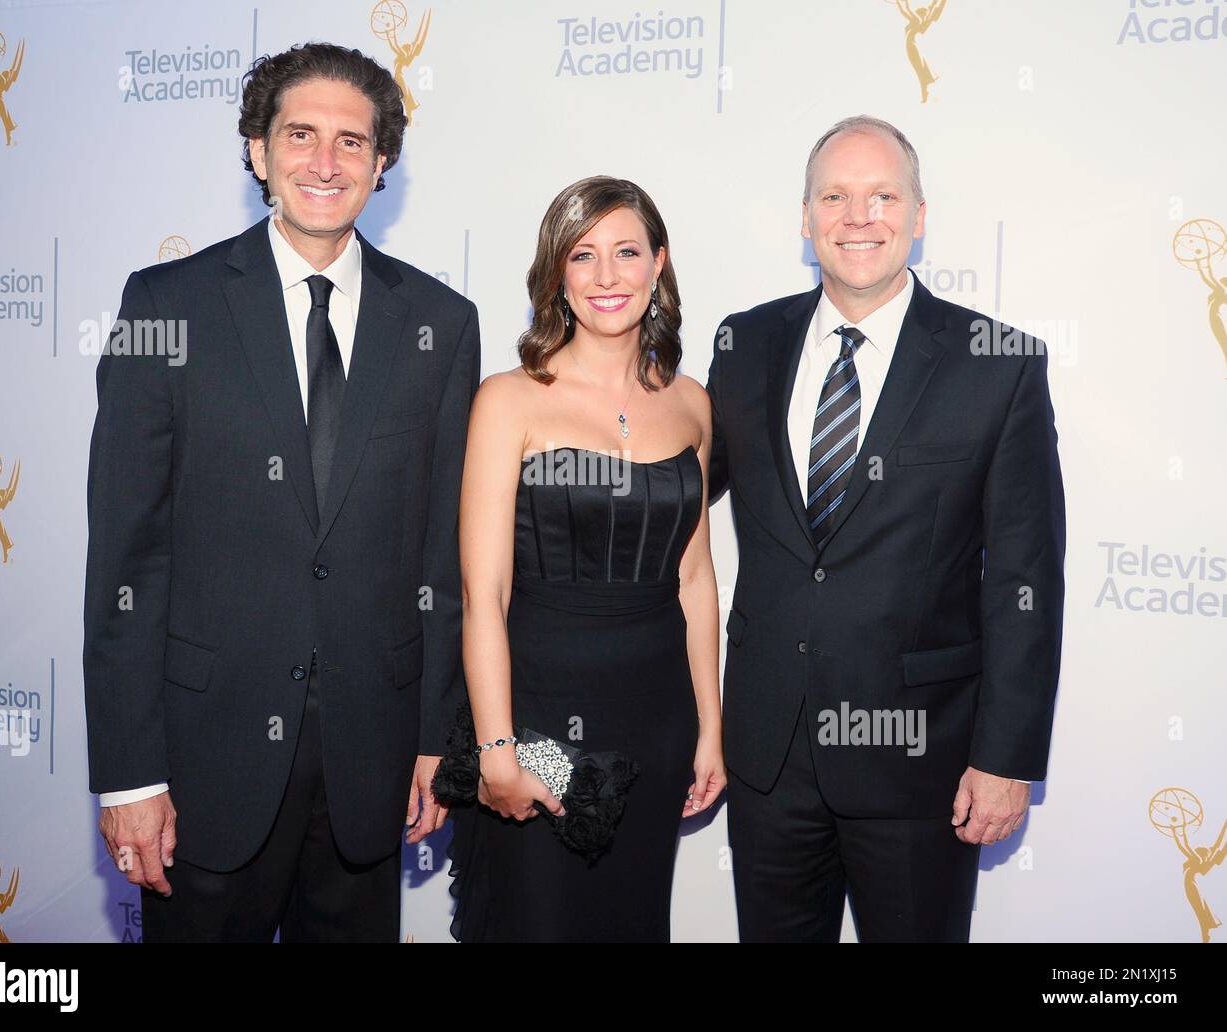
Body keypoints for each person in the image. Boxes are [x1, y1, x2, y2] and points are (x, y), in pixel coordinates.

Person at [82, 42, 480, 942]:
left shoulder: (439, 325)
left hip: (369, 766)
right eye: (300, 135)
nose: (325, 162)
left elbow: (439, 557)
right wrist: (131, 775)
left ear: (383, 164)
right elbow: (126, 557)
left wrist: (432, 739)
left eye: (352, 141)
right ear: (257, 150)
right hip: (200, 761)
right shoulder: (166, 306)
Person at [707, 115, 1065, 942]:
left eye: (881, 196)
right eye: (834, 196)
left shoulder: (998, 363)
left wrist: (1005, 755)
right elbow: (677, 497)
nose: (857, 217)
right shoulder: (745, 343)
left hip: (921, 762)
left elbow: (1024, 577)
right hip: (767, 758)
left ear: (920, 213)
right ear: (805, 218)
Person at [444, 176, 725, 942]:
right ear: (556, 275)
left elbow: (695, 580)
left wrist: (710, 728)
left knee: (632, 922)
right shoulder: (509, 399)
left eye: (627, 252)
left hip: (659, 723)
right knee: (538, 921)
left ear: (658, 264)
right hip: (538, 717)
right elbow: (484, 592)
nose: (606, 277)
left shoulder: (692, 404)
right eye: (583, 256)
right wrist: (497, 746)